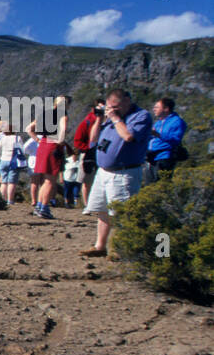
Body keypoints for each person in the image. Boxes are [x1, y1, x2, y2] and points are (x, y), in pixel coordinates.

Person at [81, 88, 152, 258]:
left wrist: (115, 118)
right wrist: (99, 119)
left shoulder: (141, 116)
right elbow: (93, 139)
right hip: (104, 171)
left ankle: (122, 249)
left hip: (124, 172)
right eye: (110, 107)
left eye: (116, 106)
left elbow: (128, 136)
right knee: (102, 210)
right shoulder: (109, 118)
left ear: (127, 101)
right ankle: (100, 246)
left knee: (121, 213)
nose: (113, 109)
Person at [29, 95, 70, 219]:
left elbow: (29, 128)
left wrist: (37, 139)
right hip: (53, 147)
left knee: (44, 180)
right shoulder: (63, 115)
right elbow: (63, 131)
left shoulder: (46, 114)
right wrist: (60, 141)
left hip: (43, 145)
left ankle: (39, 206)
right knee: (50, 180)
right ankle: (44, 208)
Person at [146, 97, 188, 182]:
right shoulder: (158, 123)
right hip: (152, 158)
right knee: (150, 184)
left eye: (157, 107)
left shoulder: (177, 121)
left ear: (166, 109)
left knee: (161, 184)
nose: (154, 109)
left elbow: (175, 139)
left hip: (164, 157)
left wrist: (158, 134)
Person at [73, 98, 104, 202]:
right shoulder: (87, 122)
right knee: (87, 181)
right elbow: (77, 140)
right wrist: (88, 148)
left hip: (102, 154)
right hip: (88, 154)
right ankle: (87, 204)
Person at [0, 120, 24, 206]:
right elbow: (22, 150)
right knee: (12, 182)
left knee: (4, 181)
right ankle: (10, 200)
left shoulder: (3, 139)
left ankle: (3, 199)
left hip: (3, 161)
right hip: (13, 161)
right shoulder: (18, 138)